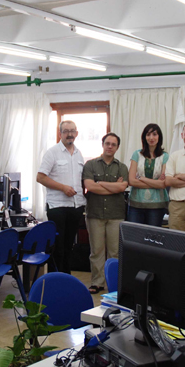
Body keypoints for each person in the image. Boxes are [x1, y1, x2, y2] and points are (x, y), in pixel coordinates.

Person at [37, 120, 86, 274]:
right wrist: (63, 188)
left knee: (68, 246)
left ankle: (66, 278)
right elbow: (40, 177)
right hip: (57, 207)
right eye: (66, 131)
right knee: (57, 247)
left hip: (75, 206)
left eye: (72, 131)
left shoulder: (79, 154)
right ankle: (54, 280)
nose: (69, 134)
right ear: (60, 134)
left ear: (76, 133)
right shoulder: (52, 153)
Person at [82, 132, 129, 294]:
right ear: (103, 144)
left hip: (116, 215)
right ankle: (97, 282)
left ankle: (113, 283)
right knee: (96, 251)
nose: (110, 147)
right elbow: (90, 187)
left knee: (115, 252)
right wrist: (112, 187)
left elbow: (122, 188)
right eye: (107, 143)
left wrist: (100, 183)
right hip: (95, 214)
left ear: (117, 147)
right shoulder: (90, 165)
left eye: (113, 144)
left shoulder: (122, 167)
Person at [127, 123, 169, 227]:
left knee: (153, 238)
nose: (151, 138)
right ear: (144, 137)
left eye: (154, 134)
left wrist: (141, 178)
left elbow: (163, 184)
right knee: (135, 237)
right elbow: (131, 181)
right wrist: (156, 183)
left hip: (157, 205)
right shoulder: (136, 154)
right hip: (136, 204)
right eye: (148, 134)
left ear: (159, 137)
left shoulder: (165, 156)